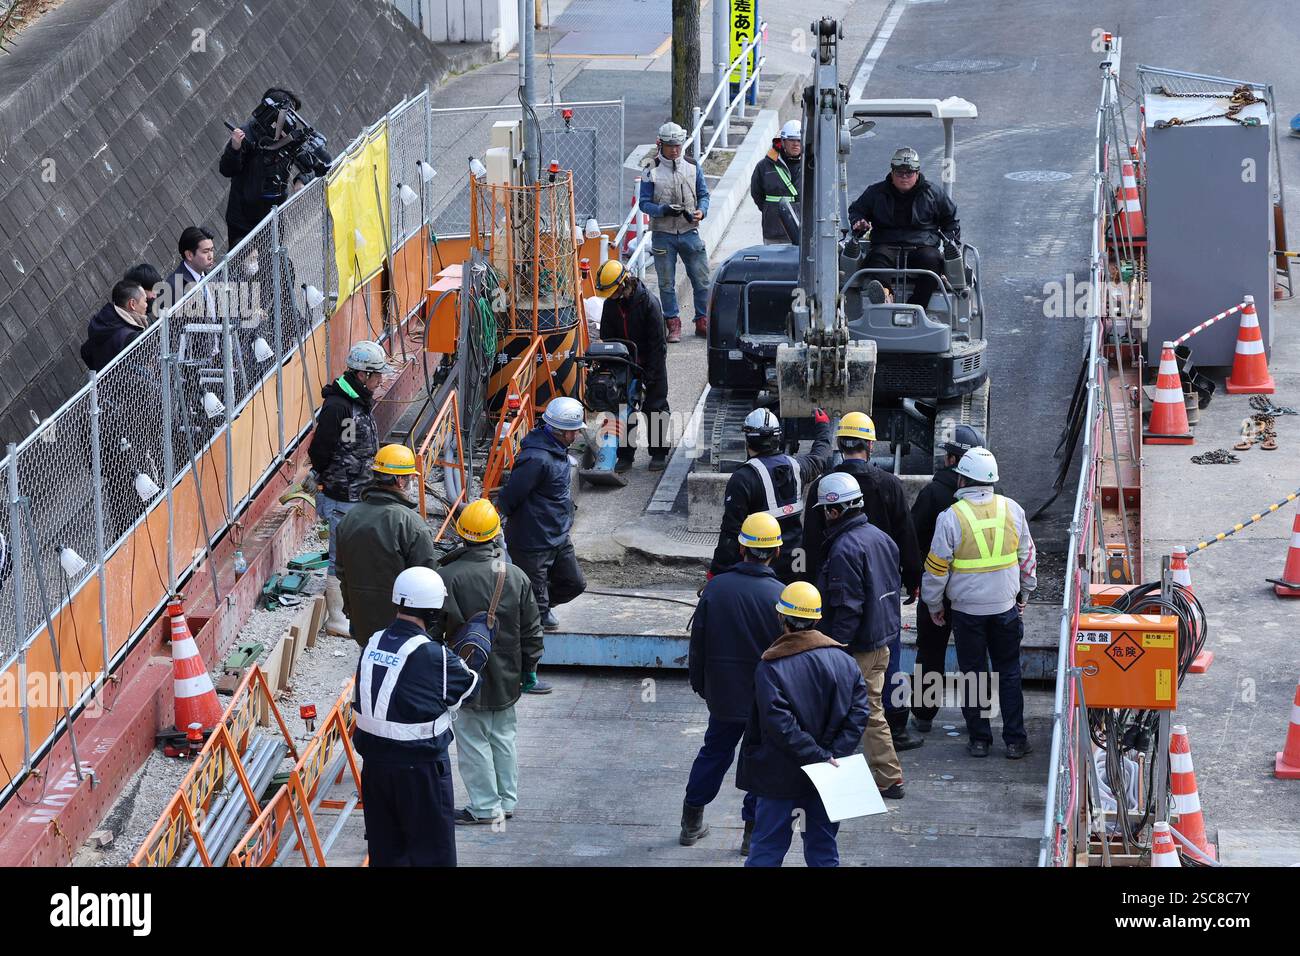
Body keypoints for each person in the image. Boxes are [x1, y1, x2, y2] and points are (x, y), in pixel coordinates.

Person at [801, 412, 924, 751]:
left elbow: (809, 543)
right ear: (870, 445)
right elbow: (905, 536)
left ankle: (832, 726)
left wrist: (810, 585)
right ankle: (895, 727)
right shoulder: (888, 484)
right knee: (888, 656)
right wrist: (913, 579)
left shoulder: (823, 488)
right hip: (883, 586)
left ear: (840, 445)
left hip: (835, 585)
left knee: (835, 656)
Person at [737, 581, 870, 868]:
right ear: (817, 620)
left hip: (779, 779)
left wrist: (817, 755)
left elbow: (780, 725)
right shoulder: (845, 661)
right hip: (829, 778)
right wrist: (832, 755)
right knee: (823, 851)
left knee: (767, 852)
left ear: (781, 618)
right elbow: (860, 712)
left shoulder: (770, 667)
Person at [353, 566, 479, 866]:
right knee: (432, 854)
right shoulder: (435, 656)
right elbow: (470, 686)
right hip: (421, 771)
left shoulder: (373, 642)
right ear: (434, 613)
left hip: (375, 769)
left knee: (387, 852)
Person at [921, 447, 1037, 759]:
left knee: (973, 673)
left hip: (966, 612)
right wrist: (1024, 594)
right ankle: (1015, 740)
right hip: (1005, 608)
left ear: (962, 479)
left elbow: (935, 569)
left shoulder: (950, 518)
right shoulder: (1012, 509)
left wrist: (934, 605)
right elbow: (1027, 558)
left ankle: (980, 740)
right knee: (1009, 672)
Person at [682, 513, 786, 855]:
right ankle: (750, 836)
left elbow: (698, 645)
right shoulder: (781, 596)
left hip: (723, 694)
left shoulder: (716, 589)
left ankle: (691, 821)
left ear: (742, 548)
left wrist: (702, 685)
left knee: (714, 753)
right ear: (776, 552)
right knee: (759, 763)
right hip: (764, 698)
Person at [437, 499, 545, 825]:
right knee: (503, 737)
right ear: (496, 535)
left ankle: (484, 807)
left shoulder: (446, 576)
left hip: (464, 674)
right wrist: (530, 670)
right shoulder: (514, 576)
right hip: (508, 674)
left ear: (462, 534)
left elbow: (432, 629)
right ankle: (507, 802)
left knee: (472, 741)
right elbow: (532, 629)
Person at [813, 472, 907, 798]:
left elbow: (847, 608)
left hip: (858, 649)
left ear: (835, 510)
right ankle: (886, 776)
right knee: (870, 710)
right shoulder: (881, 538)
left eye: (825, 510)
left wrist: (835, 650)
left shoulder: (843, 549)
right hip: (881, 642)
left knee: (849, 714)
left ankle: (881, 778)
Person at [497, 396, 588, 691]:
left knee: (574, 582)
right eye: (574, 430)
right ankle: (526, 675)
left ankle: (539, 605)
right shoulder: (536, 458)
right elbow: (510, 497)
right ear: (560, 431)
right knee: (532, 614)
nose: (577, 435)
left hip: (557, 536)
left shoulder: (557, 450)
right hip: (533, 542)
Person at [307, 340, 392, 636]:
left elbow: (349, 442)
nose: (380, 380)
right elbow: (322, 449)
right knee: (339, 554)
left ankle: (349, 607)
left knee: (353, 551)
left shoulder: (355, 402)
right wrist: (331, 478)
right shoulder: (339, 407)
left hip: (357, 491)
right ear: (362, 375)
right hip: (343, 493)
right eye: (376, 374)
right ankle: (335, 618)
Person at [909, 424, 984, 732]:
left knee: (929, 651)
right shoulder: (995, 496)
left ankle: (923, 716)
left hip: (937, 590)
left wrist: (915, 582)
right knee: (977, 656)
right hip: (978, 593)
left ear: (952, 460)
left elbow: (913, 538)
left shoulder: (932, 493)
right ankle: (978, 722)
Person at [709, 407, 832, 585]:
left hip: (760, 567)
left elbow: (731, 533)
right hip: (796, 563)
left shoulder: (743, 478)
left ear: (747, 440)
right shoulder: (797, 467)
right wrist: (823, 427)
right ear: (777, 438)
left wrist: (717, 572)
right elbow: (820, 456)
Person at [333, 444, 439, 646]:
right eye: (410, 479)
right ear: (400, 481)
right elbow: (427, 580)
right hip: (402, 629)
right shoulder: (412, 524)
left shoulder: (349, 518)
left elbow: (342, 572)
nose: (411, 484)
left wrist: (351, 611)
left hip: (363, 623)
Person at [848, 146, 959, 308]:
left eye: (909, 173)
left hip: (922, 246)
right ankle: (885, 295)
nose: (904, 177)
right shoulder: (876, 193)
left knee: (932, 260)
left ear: (917, 173)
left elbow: (951, 221)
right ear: (892, 173)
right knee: (876, 258)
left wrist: (951, 244)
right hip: (886, 245)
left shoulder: (933, 194)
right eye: (900, 173)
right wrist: (859, 222)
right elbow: (857, 210)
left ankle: (915, 307)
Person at [592, 259, 670, 472]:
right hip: (625, 365)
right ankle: (625, 456)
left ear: (623, 285)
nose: (611, 297)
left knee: (655, 407)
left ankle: (659, 453)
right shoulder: (611, 305)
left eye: (613, 292)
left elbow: (658, 345)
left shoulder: (649, 304)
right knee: (623, 409)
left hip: (651, 362)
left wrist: (650, 378)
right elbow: (607, 337)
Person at [639, 121, 711, 342]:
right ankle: (673, 324)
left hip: (690, 231)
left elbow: (704, 194)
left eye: (678, 145)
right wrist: (663, 210)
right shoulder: (650, 170)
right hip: (663, 233)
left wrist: (701, 212)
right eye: (671, 145)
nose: (675, 149)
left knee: (702, 278)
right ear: (661, 144)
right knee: (666, 282)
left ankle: (703, 320)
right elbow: (644, 204)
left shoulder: (692, 165)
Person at [750, 120, 802, 244]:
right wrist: (770, 210)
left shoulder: (811, 165)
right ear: (783, 141)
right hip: (774, 232)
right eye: (791, 140)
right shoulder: (764, 166)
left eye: (799, 140)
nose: (796, 144)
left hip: (802, 230)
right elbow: (756, 193)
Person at [80, 280, 150, 372]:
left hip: (103, 384)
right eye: (145, 301)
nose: (146, 305)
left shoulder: (105, 322)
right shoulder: (130, 336)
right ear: (132, 304)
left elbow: (85, 351)